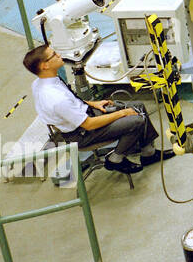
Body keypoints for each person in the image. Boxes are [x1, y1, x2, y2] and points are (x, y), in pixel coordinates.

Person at [24, 44, 168, 174]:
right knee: (137, 120)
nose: (59, 55)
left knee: (138, 106)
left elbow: (70, 101)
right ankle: (115, 159)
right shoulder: (55, 97)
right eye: (54, 55)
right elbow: (89, 124)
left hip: (84, 115)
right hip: (83, 133)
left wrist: (93, 104)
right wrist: (122, 113)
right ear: (44, 66)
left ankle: (148, 153)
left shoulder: (40, 83)